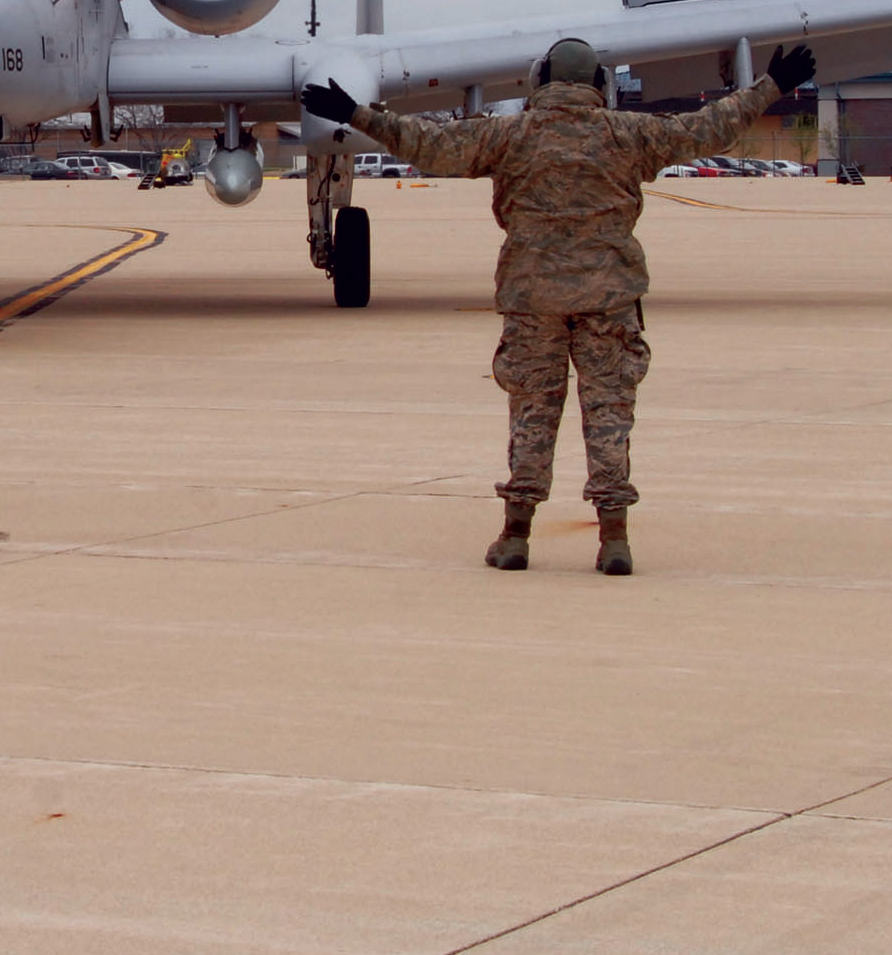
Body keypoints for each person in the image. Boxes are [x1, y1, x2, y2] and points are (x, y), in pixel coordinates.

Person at [301, 39, 816, 574]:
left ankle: (516, 536)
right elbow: (708, 127)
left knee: (531, 414)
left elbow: (429, 144)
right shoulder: (630, 134)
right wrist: (771, 87)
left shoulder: (508, 135)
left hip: (532, 298)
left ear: (539, 80)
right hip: (609, 298)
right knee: (610, 416)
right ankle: (614, 540)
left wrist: (356, 114)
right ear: (598, 85)